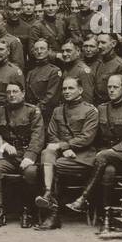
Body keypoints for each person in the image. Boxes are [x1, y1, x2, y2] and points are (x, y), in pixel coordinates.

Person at [64, 73, 122, 232]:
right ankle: (106, 217)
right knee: (108, 170)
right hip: (104, 159)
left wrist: (112, 150)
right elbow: (95, 136)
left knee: (104, 157)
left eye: (115, 87)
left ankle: (83, 198)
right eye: (109, 87)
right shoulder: (101, 109)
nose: (112, 90)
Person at [33, 76, 98, 230]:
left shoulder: (90, 111)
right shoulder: (58, 110)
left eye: (71, 88)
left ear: (80, 90)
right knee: (46, 153)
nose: (66, 91)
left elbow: (86, 138)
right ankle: (48, 193)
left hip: (82, 156)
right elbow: (52, 133)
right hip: (64, 154)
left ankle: (53, 214)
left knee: (53, 165)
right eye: (64, 89)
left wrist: (65, 145)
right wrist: (64, 148)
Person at [0, 81, 44, 228]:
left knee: (30, 172)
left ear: (23, 93)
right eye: (8, 92)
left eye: (15, 91)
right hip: (9, 156)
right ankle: (0, 210)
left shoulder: (33, 111)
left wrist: (30, 156)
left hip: (26, 154)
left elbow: (38, 136)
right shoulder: (0, 112)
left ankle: (27, 210)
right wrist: (4, 145)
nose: (11, 95)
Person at [25, 38, 62, 116]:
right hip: (32, 111)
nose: (39, 51)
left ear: (48, 51)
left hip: (47, 113)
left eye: (42, 48)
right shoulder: (30, 72)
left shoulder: (54, 71)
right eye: (36, 49)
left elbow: (51, 97)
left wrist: (36, 110)